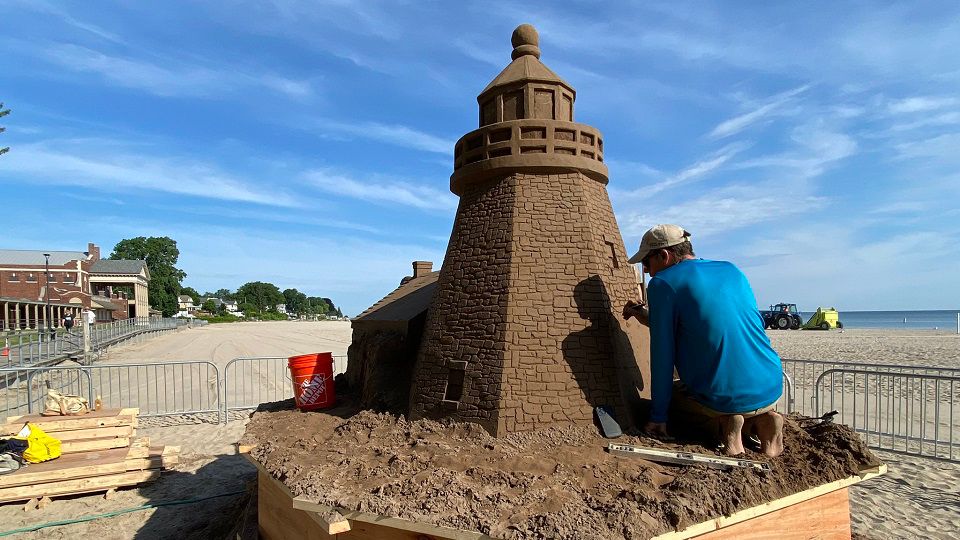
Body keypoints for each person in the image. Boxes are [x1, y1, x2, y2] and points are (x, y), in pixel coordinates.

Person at [622, 224, 785, 457]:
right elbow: (709, 321)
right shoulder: (731, 270)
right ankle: (764, 419)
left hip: (723, 396)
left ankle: (725, 427)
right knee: (742, 395)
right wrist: (647, 316)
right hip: (770, 385)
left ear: (664, 255)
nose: (647, 271)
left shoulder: (662, 283)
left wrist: (658, 416)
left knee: (675, 398)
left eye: (647, 263)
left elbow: (662, 355)